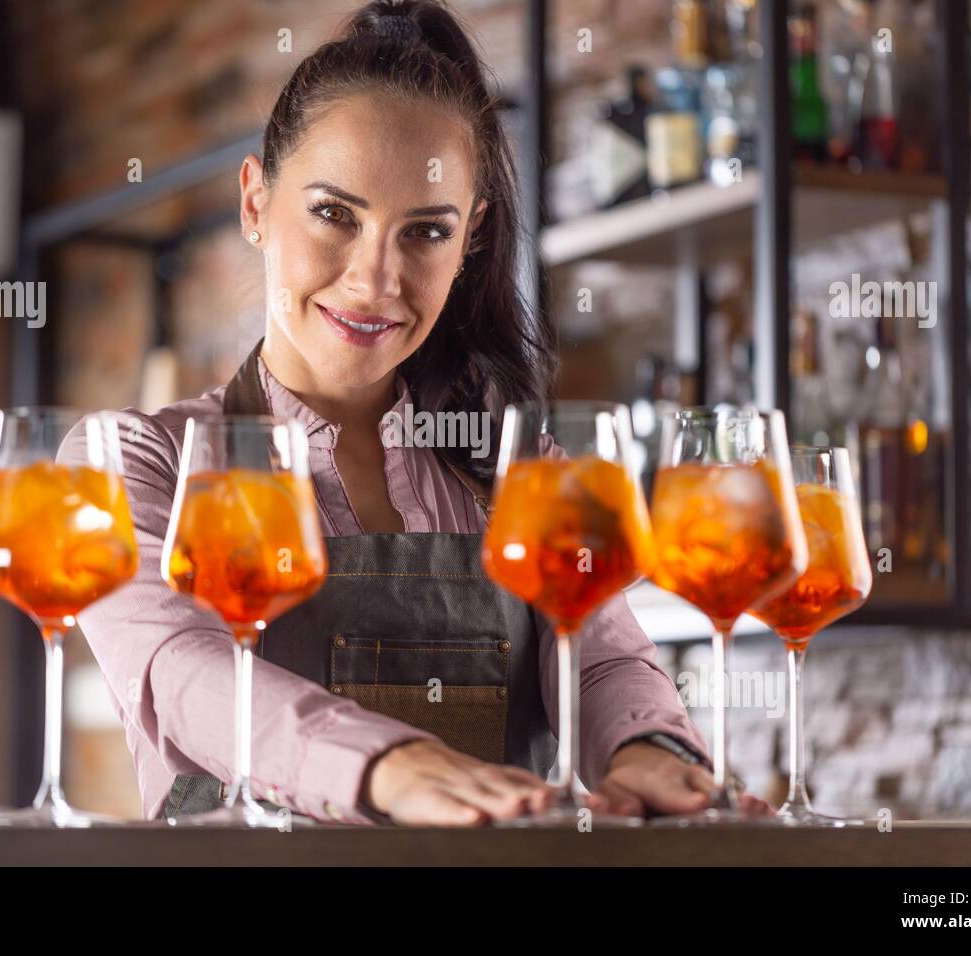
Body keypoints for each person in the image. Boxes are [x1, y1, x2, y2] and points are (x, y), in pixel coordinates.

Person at [74, 0, 772, 826]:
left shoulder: (520, 466)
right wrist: (391, 767)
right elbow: (182, 673)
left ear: (471, 236)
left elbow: (600, 660)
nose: (376, 280)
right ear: (256, 202)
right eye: (335, 214)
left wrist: (646, 750)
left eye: (425, 233)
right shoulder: (138, 460)